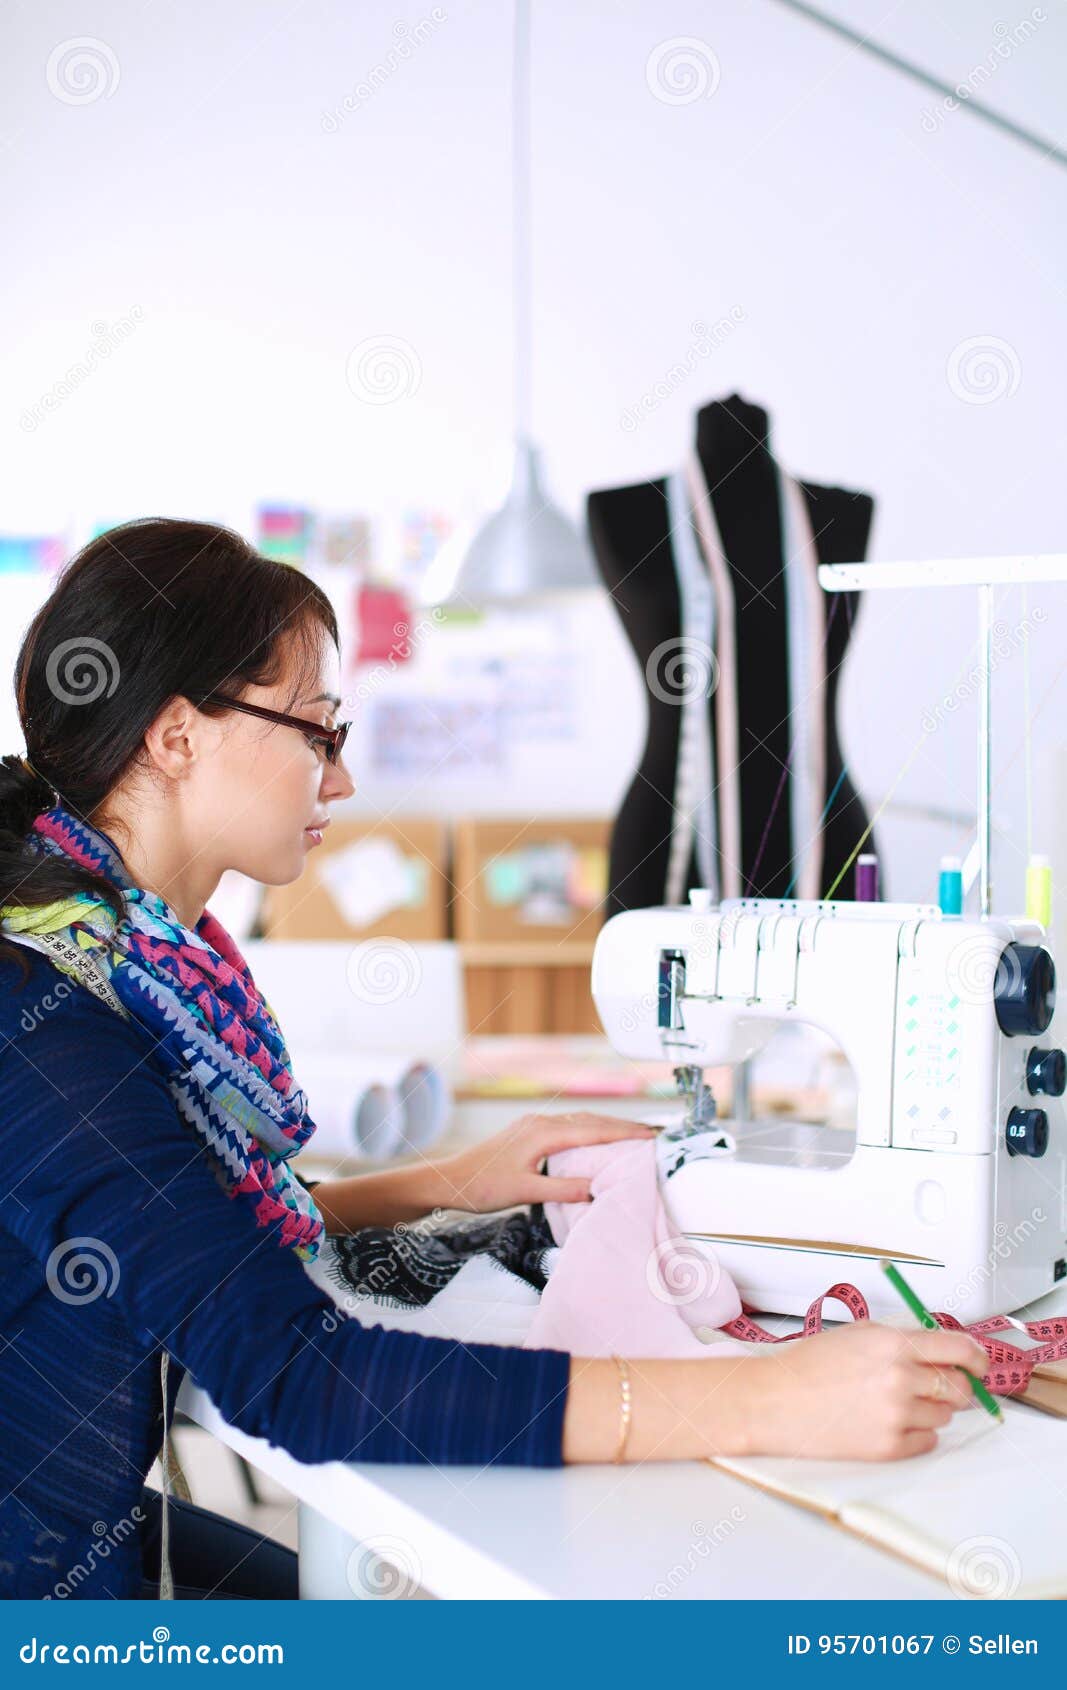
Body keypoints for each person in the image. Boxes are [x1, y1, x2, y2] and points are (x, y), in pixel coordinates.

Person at [0, 519, 988, 1601]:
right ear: (176, 736)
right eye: (318, 732)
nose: (342, 778)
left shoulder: (119, 946)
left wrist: (442, 1183)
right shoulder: (48, 1018)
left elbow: (175, 1233)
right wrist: (772, 1400)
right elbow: (301, 1377)